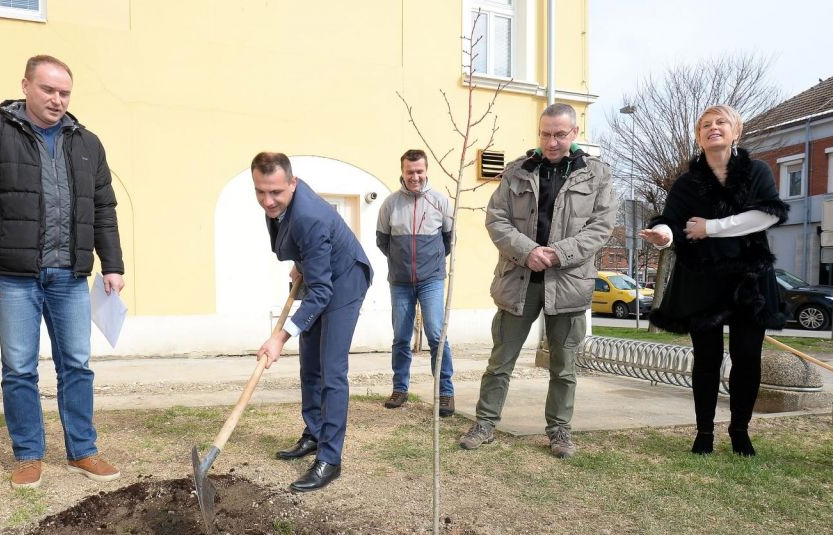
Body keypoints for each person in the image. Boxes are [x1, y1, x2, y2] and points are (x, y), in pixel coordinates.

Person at [0, 55, 125, 489]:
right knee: (19, 368)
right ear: (26, 86)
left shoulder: (87, 143)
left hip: (69, 276)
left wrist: (113, 264)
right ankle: (28, 454)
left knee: (77, 365)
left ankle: (83, 450)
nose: (57, 99)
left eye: (64, 92)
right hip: (12, 277)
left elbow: (103, 208)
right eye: (48, 89)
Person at [459, 103, 615, 458]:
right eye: (545, 134)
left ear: (575, 133)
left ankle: (559, 430)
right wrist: (527, 251)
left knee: (564, 366)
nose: (552, 142)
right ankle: (485, 423)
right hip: (519, 279)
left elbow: (601, 227)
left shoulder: (597, 175)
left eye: (560, 134)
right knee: (500, 361)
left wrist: (558, 253)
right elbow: (496, 219)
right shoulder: (517, 170)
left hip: (568, 282)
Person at [640, 104, 789, 457]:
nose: (713, 127)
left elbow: (766, 215)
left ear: (736, 131)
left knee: (747, 356)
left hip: (749, 277)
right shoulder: (687, 182)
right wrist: (663, 235)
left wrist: (711, 227)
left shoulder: (756, 171)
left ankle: (740, 432)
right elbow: (672, 222)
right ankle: (704, 433)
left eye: (721, 122)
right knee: (706, 358)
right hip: (701, 278)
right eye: (705, 124)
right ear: (699, 137)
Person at [252, 152, 372, 492]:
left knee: (331, 370)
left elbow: (321, 291)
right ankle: (314, 433)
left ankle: (330, 458)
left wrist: (279, 337)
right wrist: (302, 262)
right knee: (310, 364)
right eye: (260, 191)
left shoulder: (310, 217)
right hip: (320, 278)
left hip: (344, 282)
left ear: (293, 183)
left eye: (275, 192)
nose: (268, 200)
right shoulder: (283, 207)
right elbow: (298, 242)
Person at [376, 149, 455, 417]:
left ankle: (445, 392)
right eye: (410, 172)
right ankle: (400, 389)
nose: (415, 177)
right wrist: (401, 262)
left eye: (419, 171)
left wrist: (429, 262)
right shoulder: (390, 204)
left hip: (431, 280)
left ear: (426, 170)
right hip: (400, 282)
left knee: (436, 336)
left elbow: (448, 240)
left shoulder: (440, 202)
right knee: (401, 337)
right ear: (402, 172)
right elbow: (382, 241)